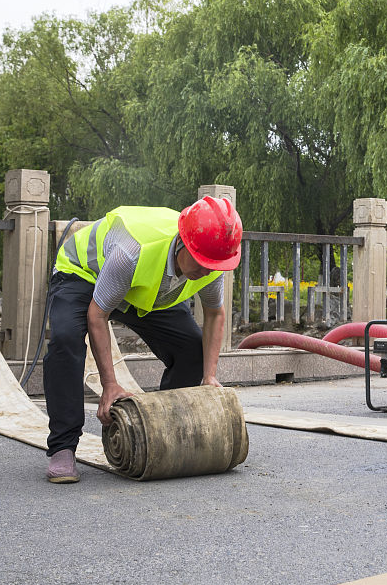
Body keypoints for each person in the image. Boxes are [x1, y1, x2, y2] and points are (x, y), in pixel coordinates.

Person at [42, 196, 243, 483]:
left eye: (214, 265)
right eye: (202, 263)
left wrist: (209, 376)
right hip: (84, 273)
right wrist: (109, 386)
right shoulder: (132, 252)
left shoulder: (211, 261)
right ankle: (63, 446)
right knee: (65, 339)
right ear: (182, 242)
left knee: (191, 349)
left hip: (141, 289)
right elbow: (97, 315)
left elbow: (214, 314)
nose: (207, 271)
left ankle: (167, 429)